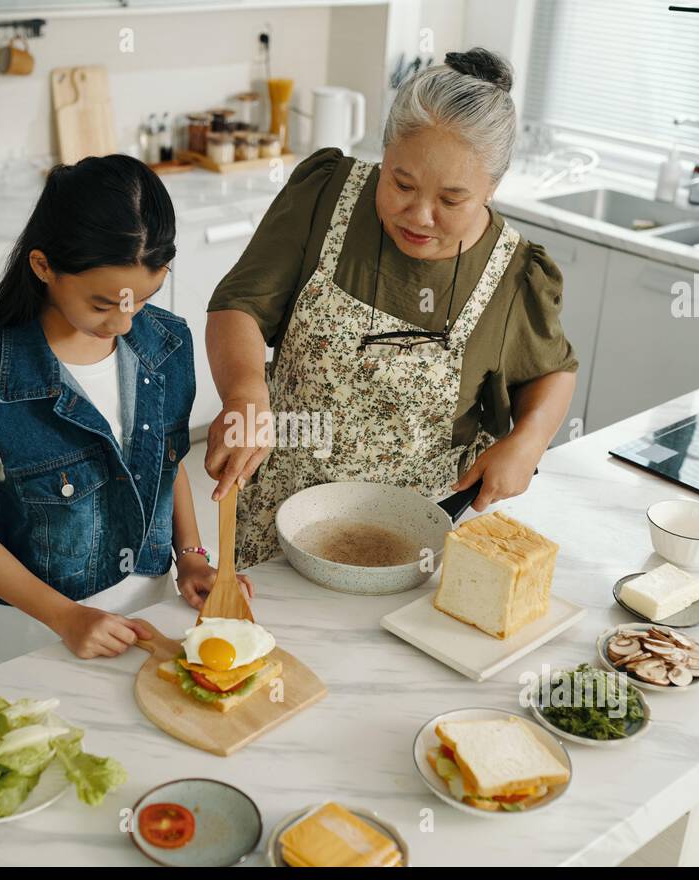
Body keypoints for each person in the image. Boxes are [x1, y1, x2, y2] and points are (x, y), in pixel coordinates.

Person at [204, 48, 578, 569]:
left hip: (421, 533)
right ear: (384, 151)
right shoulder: (325, 196)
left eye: (451, 200)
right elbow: (239, 305)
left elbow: (552, 371)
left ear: (492, 188)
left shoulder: (514, 274)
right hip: (280, 517)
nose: (419, 216)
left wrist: (530, 440)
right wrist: (244, 391)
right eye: (401, 183)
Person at [0, 155, 252, 666]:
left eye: (141, 300)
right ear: (44, 267)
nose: (125, 323)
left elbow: (164, 465)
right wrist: (66, 617)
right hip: (37, 637)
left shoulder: (166, 344)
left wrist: (190, 558)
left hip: (151, 616)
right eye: (103, 305)